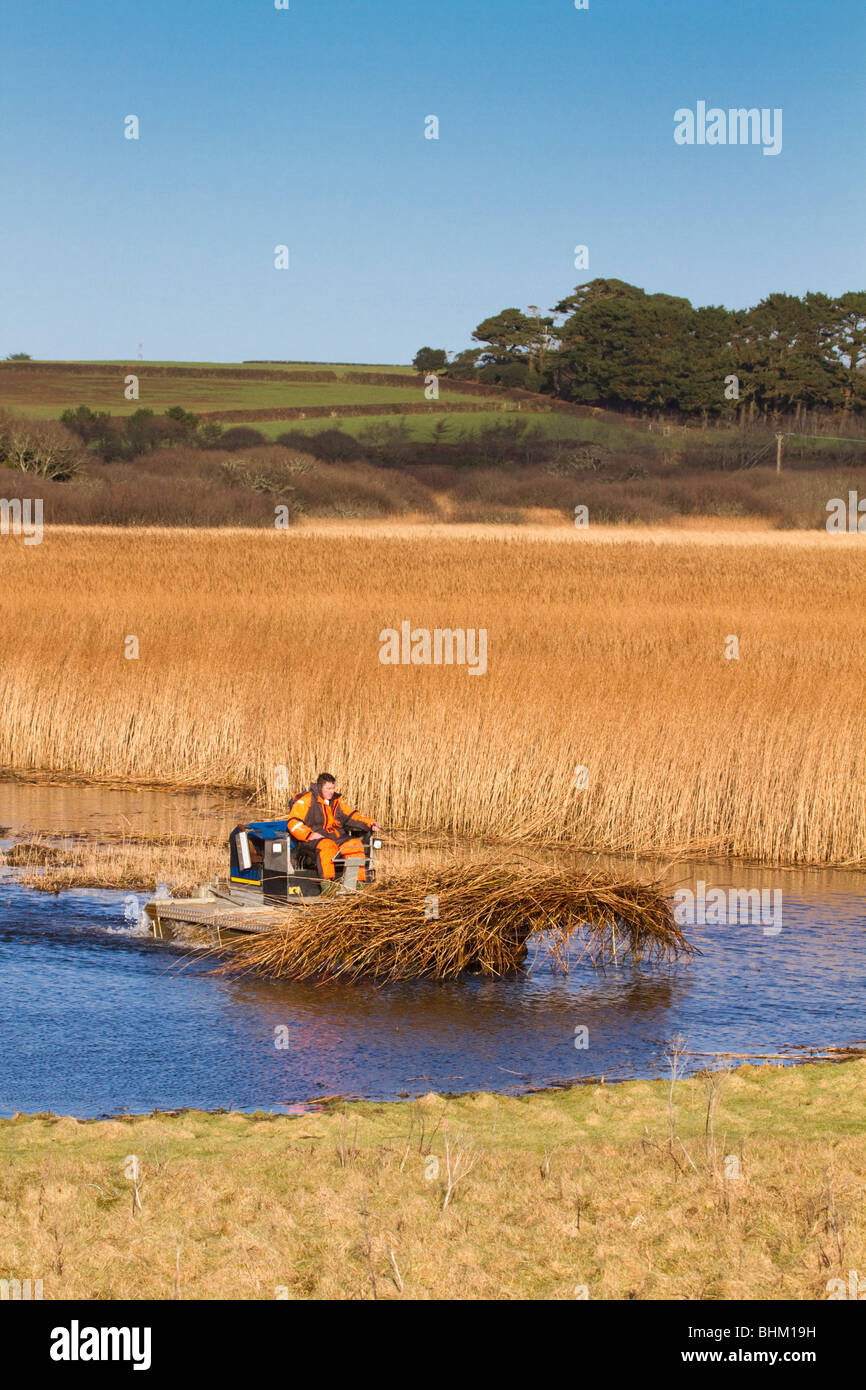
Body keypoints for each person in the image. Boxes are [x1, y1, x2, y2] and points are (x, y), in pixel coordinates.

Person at [287, 773, 381, 890]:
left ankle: (354, 885)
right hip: (313, 839)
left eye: (333, 788)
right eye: (328, 788)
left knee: (355, 845)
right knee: (327, 845)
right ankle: (328, 887)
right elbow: (293, 822)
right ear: (320, 787)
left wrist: (370, 823)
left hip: (336, 836)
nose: (332, 791)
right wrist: (308, 834)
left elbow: (352, 815)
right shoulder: (306, 800)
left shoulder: (336, 801)